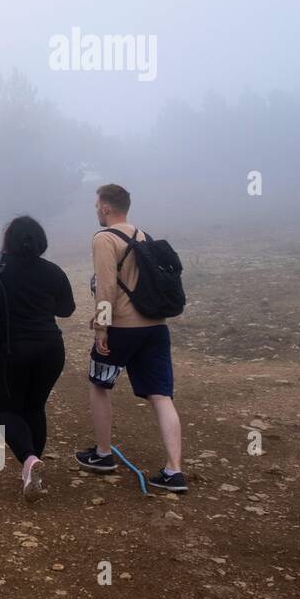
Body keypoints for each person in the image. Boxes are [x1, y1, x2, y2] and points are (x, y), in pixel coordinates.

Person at [76, 184, 187, 492]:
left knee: (99, 384)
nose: (96, 209)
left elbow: (106, 288)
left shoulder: (104, 238)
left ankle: (103, 454)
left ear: (106, 207)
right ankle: (174, 471)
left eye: (97, 204)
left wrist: (101, 326)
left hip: (122, 328)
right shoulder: (144, 236)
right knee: (161, 395)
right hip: (155, 327)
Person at [0, 215, 75, 501]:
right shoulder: (52, 271)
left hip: (8, 350)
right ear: (40, 241)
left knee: (6, 410)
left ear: (8, 240)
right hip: (50, 349)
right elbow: (67, 309)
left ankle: (28, 460)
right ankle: (31, 470)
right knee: (34, 407)